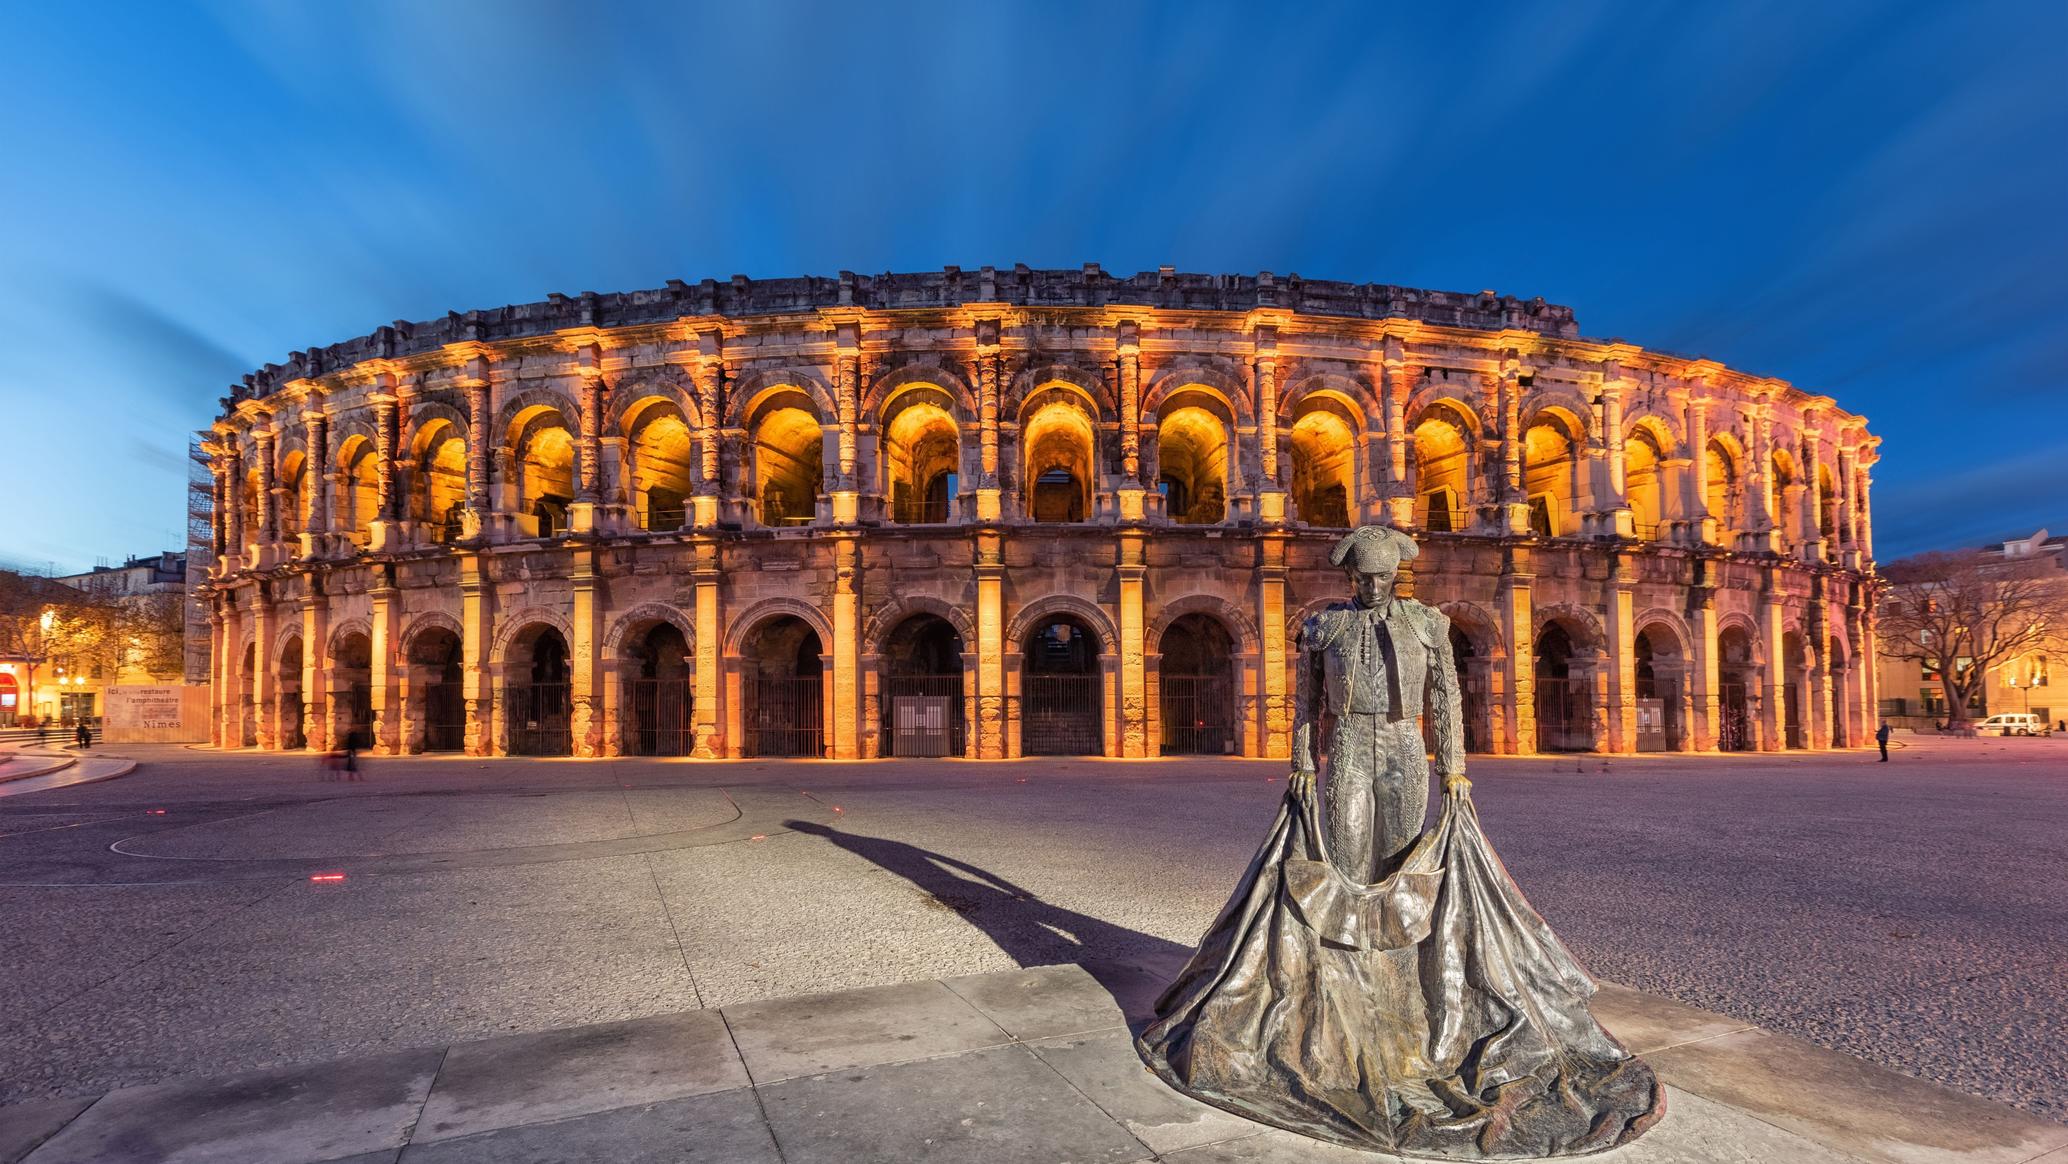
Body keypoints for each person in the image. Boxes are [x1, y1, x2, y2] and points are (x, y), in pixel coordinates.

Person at [1138, 525, 1662, 1159]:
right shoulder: (1325, 627)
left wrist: (1455, 771)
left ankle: (1404, 988)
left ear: (1398, 578)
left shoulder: (1427, 626)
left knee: (1407, 865)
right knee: (1347, 859)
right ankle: (1344, 993)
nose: (1372, 587)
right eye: (1363, 578)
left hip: (1405, 747)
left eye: (1382, 579)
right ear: (1350, 578)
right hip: (1352, 746)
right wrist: (1303, 763)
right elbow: (1306, 704)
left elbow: (1446, 703)